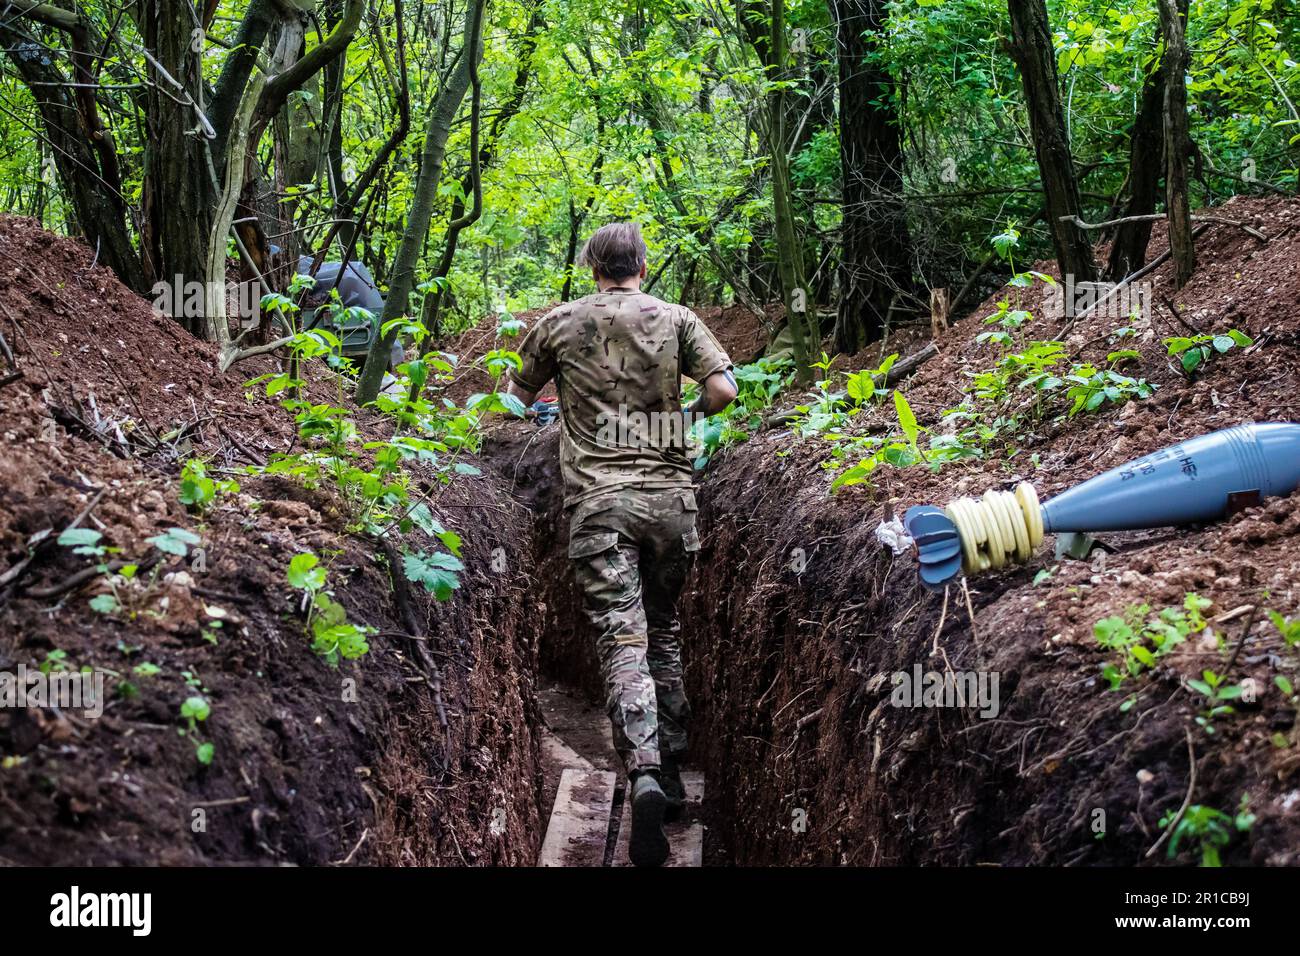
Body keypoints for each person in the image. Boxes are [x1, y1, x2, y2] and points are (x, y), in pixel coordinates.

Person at [506, 222, 737, 866]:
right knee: (662, 632)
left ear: (591, 266)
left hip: (600, 507)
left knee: (622, 637)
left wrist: (558, 409)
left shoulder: (560, 322)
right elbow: (724, 390)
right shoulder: (679, 318)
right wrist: (682, 418)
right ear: (642, 264)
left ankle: (640, 771)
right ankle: (669, 773)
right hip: (671, 505)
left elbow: (515, 399)